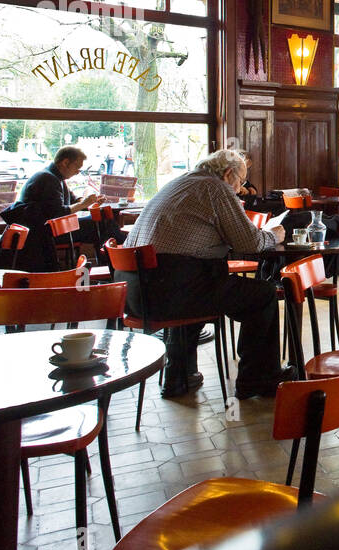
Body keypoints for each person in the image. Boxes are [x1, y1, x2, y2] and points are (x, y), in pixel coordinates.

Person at [120, 149, 290, 400]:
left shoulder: (180, 182)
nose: (239, 189)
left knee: (202, 286)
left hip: (135, 291)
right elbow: (249, 243)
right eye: (241, 182)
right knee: (262, 294)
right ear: (229, 173)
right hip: (171, 292)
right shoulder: (216, 188)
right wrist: (273, 235)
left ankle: (178, 377)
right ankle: (257, 379)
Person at [15, 146, 105, 271]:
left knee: (101, 219)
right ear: (65, 163)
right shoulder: (48, 179)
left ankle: (112, 260)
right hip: (45, 234)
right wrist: (83, 204)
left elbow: (73, 200)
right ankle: (115, 261)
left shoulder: (54, 177)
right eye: (77, 168)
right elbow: (58, 213)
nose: (78, 172)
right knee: (102, 221)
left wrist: (90, 202)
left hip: (48, 232)